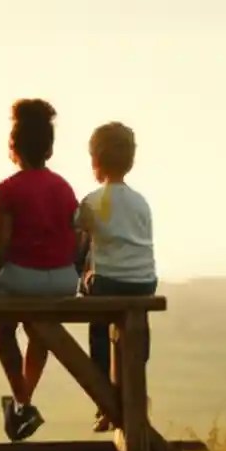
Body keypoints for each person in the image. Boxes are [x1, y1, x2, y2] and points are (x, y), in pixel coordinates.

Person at [0, 100, 79, 442]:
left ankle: (22, 399)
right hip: (64, 277)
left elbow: (2, 245)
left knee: (3, 326)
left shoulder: (7, 189)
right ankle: (24, 402)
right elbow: (76, 235)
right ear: (50, 148)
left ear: (13, 147)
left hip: (23, 274)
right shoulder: (65, 188)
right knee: (41, 329)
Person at [77, 122, 156, 432]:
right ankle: (134, 392)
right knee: (135, 334)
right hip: (144, 282)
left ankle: (107, 400)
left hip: (107, 282)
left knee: (100, 333)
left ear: (95, 161)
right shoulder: (141, 202)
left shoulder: (93, 201)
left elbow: (77, 236)